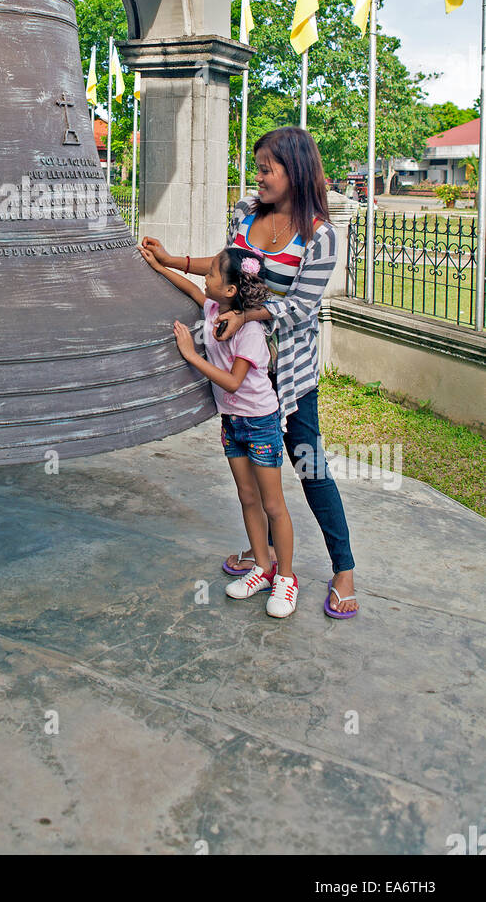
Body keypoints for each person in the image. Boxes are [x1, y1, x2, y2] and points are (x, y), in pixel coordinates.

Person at [142, 125, 358, 618]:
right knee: (250, 481)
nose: (257, 176)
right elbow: (226, 269)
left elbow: (303, 307)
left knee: (308, 467)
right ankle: (264, 560)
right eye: (256, 167)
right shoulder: (245, 212)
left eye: (267, 169)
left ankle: (342, 569)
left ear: (295, 171)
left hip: (289, 373)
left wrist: (249, 315)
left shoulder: (319, 236)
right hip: (241, 364)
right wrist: (171, 260)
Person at [140, 241, 299, 618]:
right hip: (233, 423)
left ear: (230, 290)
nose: (205, 276)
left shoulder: (250, 332)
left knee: (273, 504)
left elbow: (232, 382)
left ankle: (286, 579)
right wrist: (160, 266)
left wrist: (192, 356)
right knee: (247, 498)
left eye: (212, 272)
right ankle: (262, 567)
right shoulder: (214, 307)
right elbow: (192, 289)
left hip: (259, 423)